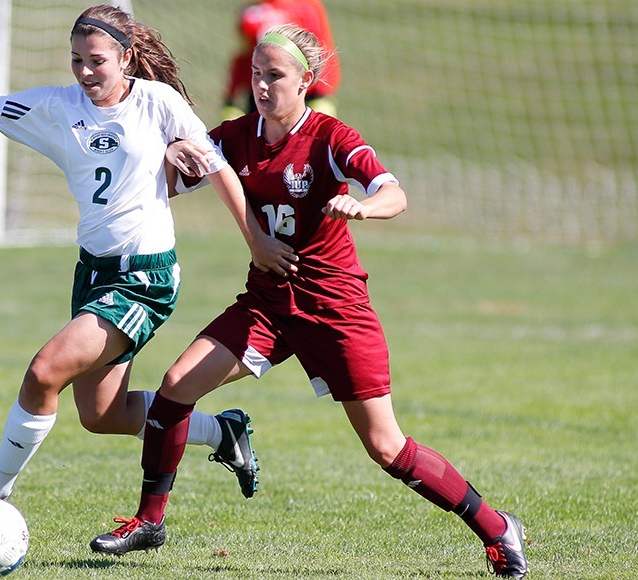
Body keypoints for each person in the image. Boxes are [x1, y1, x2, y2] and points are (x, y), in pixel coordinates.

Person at [90, 24, 529, 579]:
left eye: (275, 75)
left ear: (307, 82)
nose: (262, 85)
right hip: (267, 306)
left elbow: (394, 193)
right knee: (176, 387)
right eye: (255, 74)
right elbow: (170, 180)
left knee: (386, 446)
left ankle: (495, 526)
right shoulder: (236, 136)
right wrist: (170, 152)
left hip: (334, 312)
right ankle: (149, 520)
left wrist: (362, 207)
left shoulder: (331, 138)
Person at [0, 5, 296, 530]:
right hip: (94, 274)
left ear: (126, 57)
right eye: (77, 60)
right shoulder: (57, 108)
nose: (85, 72)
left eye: (97, 61)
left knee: (44, 372)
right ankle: (225, 433)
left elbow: (217, 169)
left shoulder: (158, 103)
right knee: (103, 415)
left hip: (144, 278)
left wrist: (255, 240)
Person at [222, 0, 341, 120]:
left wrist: (320, 92)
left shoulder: (307, 6)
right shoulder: (250, 12)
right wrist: (233, 91)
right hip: (262, 92)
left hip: (303, 92)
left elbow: (319, 48)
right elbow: (246, 54)